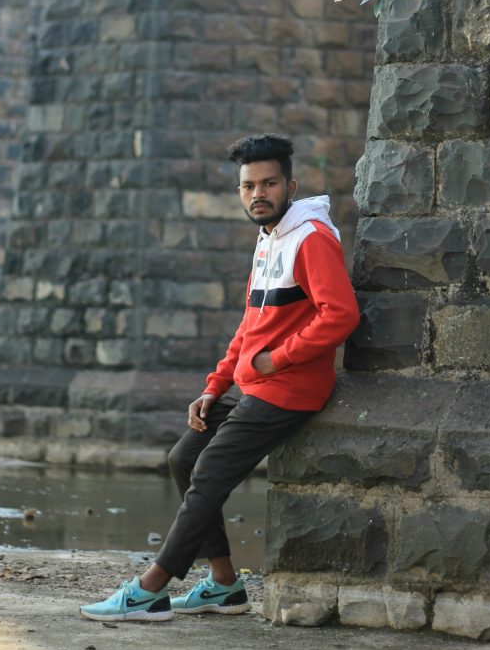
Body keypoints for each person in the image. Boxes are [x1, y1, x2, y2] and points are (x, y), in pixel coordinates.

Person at [79, 132, 361, 622]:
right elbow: (251, 325)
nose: (258, 194)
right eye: (249, 185)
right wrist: (215, 386)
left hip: (290, 390)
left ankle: (150, 589)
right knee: (184, 457)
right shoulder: (270, 237)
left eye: (269, 183)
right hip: (258, 386)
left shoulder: (311, 238)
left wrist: (278, 359)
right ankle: (225, 586)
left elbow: (340, 315)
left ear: (289, 185)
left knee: (208, 472)